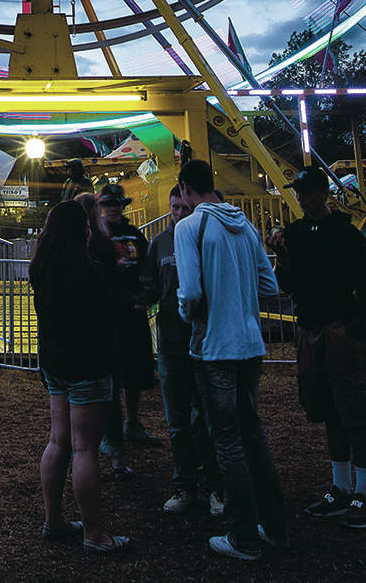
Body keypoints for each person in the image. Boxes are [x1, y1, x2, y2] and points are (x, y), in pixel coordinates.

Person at [174, 158, 289, 560]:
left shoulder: (189, 228)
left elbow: (188, 291)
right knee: (253, 435)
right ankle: (274, 525)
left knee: (227, 442)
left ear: (186, 188)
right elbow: (269, 284)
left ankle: (243, 535)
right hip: (250, 344)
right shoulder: (246, 227)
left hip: (213, 348)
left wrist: (189, 313)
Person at [272, 168, 366, 529]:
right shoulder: (297, 234)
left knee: (353, 408)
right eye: (299, 192)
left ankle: (365, 495)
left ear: (322, 193)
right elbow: (288, 282)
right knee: (330, 408)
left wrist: (355, 326)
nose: (301, 198)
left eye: (305, 192)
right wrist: (283, 258)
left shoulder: (344, 234)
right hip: (314, 326)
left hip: (335, 327)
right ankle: (342, 487)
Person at [30, 198, 131, 554]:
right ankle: (94, 533)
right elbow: (112, 314)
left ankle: (53, 520)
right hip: (89, 364)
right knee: (86, 448)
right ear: (79, 232)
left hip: (55, 364)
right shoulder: (86, 273)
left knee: (58, 442)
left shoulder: (39, 269)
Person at [143, 183, 221, 516]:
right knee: (176, 420)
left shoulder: (206, 240)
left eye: (183, 208)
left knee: (208, 418)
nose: (177, 214)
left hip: (204, 342)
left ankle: (216, 486)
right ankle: (184, 484)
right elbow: (148, 285)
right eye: (173, 208)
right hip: (172, 343)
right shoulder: (159, 244)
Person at [97, 183, 160, 461]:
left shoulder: (135, 235)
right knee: (110, 374)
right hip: (109, 314)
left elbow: (148, 267)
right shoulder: (95, 236)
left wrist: (146, 295)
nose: (113, 208)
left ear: (123, 206)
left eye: (116, 203)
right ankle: (109, 432)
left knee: (135, 372)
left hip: (133, 312)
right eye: (108, 203)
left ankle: (131, 422)